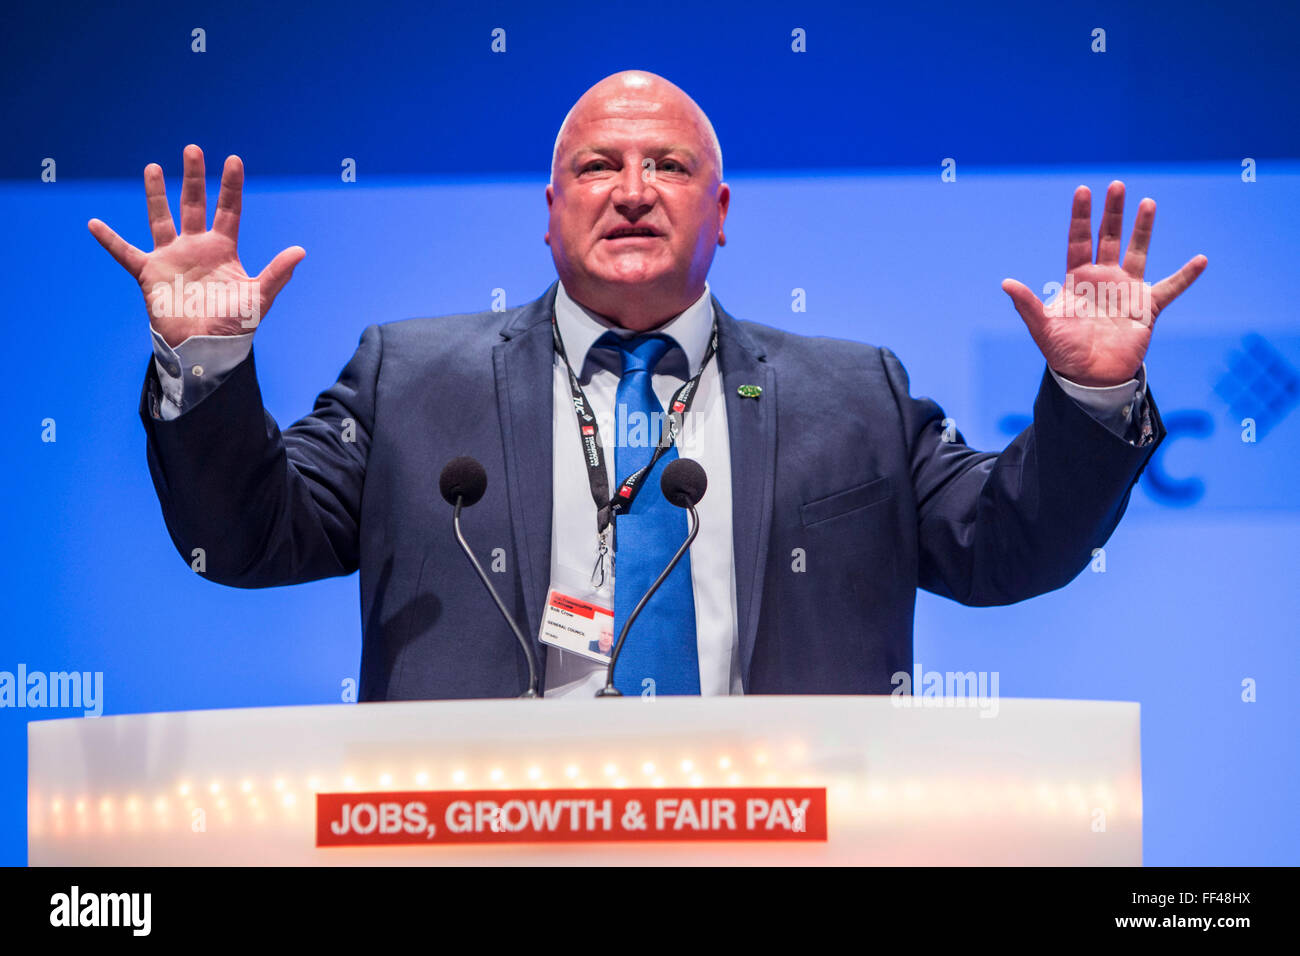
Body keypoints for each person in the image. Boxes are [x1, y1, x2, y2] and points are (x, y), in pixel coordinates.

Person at [88, 71, 1207, 700]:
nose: (632, 191)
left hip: (784, 835)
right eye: (597, 166)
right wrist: (212, 365)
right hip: (473, 840)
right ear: (548, 208)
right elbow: (241, 542)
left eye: (669, 166)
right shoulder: (408, 377)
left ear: (721, 214)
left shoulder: (853, 392)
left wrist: (1088, 397)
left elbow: (1005, 547)